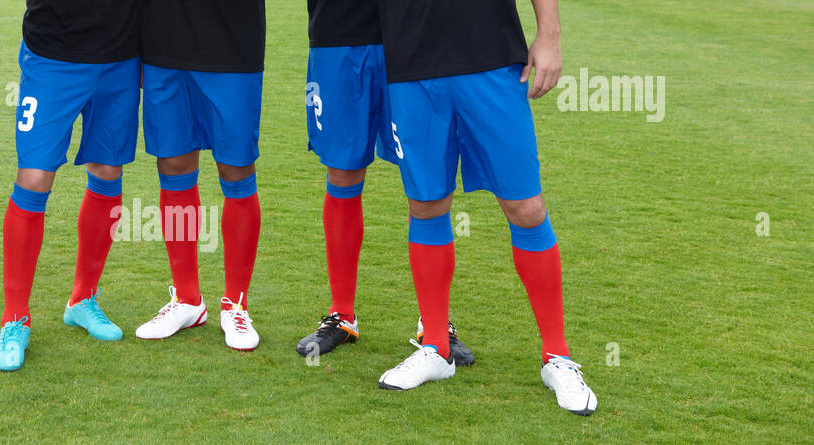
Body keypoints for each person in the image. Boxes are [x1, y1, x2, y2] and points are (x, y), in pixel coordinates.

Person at [375, 0, 597, 416]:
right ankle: (436, 347)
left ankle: (557, 357)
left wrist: (549, 35)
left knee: (526, 208)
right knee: (425, 205)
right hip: (410, 61)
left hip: (491, 56)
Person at [296, 0, 475, 365]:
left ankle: (435, 325)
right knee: (343, 172)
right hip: (338, 31)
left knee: (426, 180)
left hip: (416, 34)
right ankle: (342, 315)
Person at [0, 0, 143, 371]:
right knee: (34, 178)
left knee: (108, 171)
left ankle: (82, 299)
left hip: (120, 54)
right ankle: (15, 319)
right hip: (52, 52)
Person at [134, 0, 265, 352]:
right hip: (164, 42)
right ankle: (188, 299)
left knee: (236, 168)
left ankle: (236, 304)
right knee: (174, 165)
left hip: (233, 43)